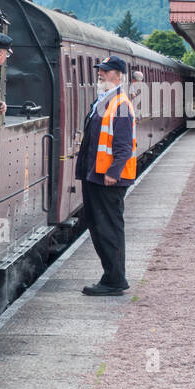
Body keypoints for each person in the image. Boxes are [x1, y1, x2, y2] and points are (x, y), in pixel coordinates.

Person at [74, 56, 136, 296]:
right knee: (98, 226)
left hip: (108, 179)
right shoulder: (104, 101)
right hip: (96, 176)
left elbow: (124, 147)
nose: (100, 74)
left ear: (118, 76)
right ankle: (110, 276)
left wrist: (112, 173)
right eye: (100, 70)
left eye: (106, 71)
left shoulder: (120, 104)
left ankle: (114, 280)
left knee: (108, 228)